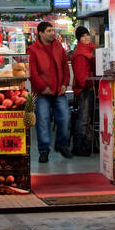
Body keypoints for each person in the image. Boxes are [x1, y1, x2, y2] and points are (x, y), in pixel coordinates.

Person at [28, 20, 71, 163]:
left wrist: (65, 83)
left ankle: (61, 144)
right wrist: (42, 87)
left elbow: (65, 67)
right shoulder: (33, 50)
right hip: (42, 93)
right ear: (40, 33)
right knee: (43, 121)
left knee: (65, 117)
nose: (52, 33)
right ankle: (44, 150)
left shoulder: (59, 47)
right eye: (49, 31)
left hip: (59, 90)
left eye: (53, 30)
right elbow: (32, 72)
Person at [70, 26, 98, 156]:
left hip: (89, 87)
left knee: (88, 119)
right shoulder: (80, 54)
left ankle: (89, 144)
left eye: (87, 35)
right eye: (83, 36)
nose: (86, 38)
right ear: (79, 39)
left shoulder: (89, 50)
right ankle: (78, 146)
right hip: (84, 89)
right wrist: (88, 84)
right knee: (84, 119)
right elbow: (81, 77)